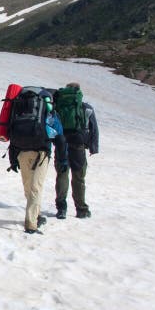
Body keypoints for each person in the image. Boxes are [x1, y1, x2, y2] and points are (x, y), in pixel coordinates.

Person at [8, 90, 68, 234]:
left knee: (29, 187)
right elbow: (59, 138)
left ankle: (36, 215)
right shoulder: (49, 114)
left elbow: (13, 134)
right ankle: (31, 224)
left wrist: (13, 159)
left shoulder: (21, 112)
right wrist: (63, 159)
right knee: (36, 188)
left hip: (22, 153)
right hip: (41, 154)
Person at [54, 82, 99, 219]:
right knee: (78, 177)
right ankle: (81, 209)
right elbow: (94, 128)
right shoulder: (86, 108)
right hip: (78, 146)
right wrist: (93, 147)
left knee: (62, 175)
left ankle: (61, 208)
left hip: (61, 144)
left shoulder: (58, 105)